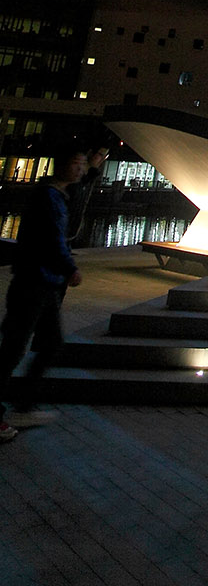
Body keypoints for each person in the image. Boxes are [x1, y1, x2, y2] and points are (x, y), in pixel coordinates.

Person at [0, 145, 87, 443]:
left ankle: (23, 404)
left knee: (50, 343)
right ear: (61, 164)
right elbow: (53, 238)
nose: (81, 168)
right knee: (13, 347)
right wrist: (70, 267)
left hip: (45, 283)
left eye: (83, 163)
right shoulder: (48, 196)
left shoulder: (58, 194)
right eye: (76, 162)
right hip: (33, 281)